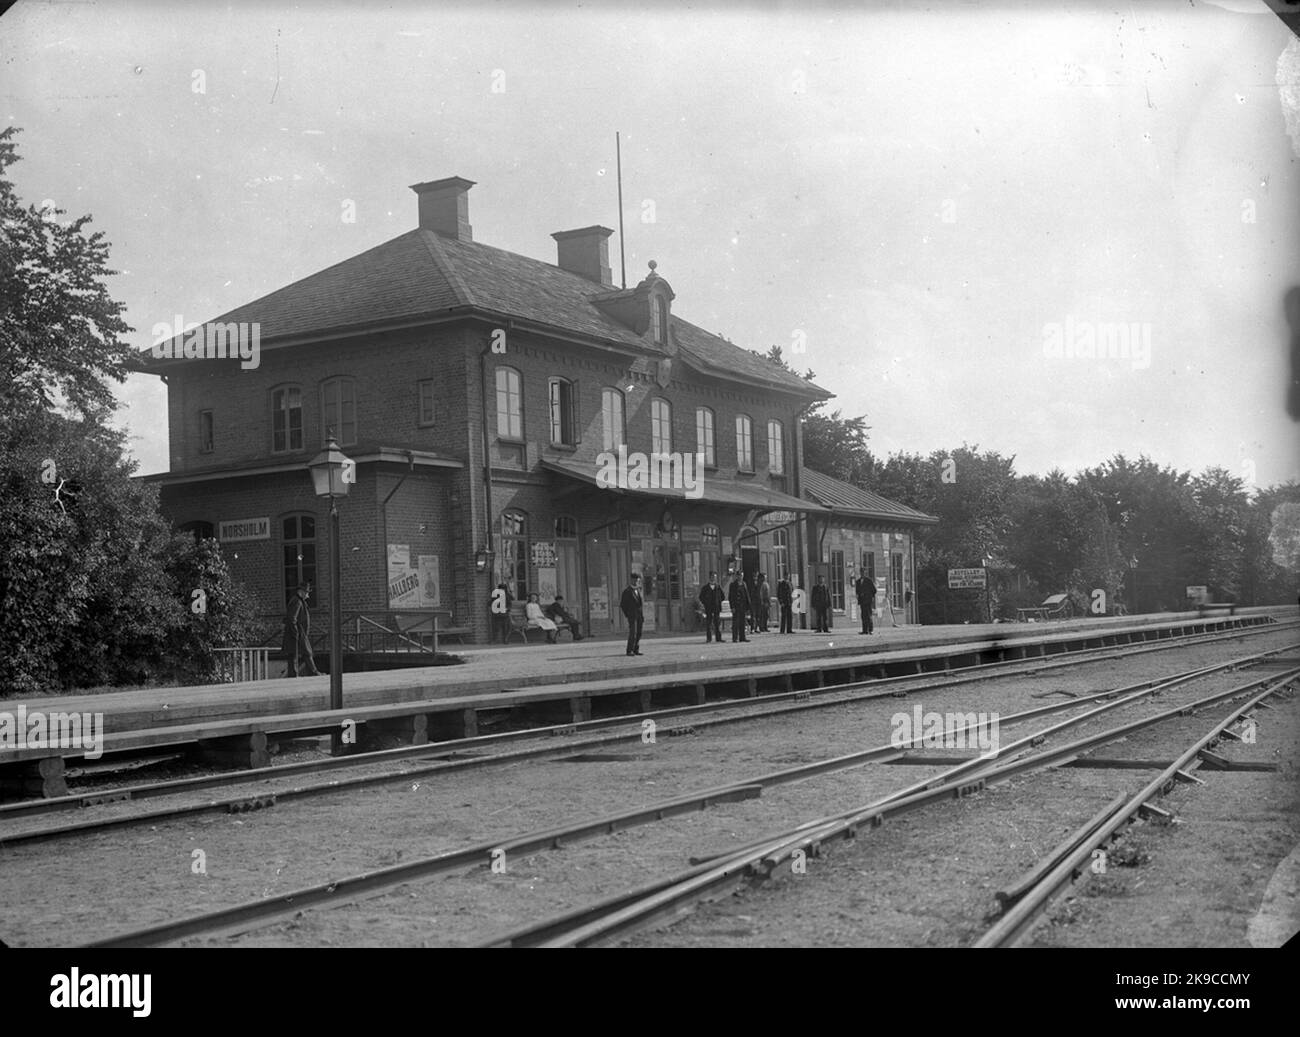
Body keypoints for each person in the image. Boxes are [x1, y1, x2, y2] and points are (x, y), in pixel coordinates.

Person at [282, 582, 320, 677]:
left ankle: (294, 674)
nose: (308, 594)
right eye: (307, 592)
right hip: (298, 631)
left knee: (295, 654)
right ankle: (312, 672)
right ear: (301, 592)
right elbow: (292, 618)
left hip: (298, 631)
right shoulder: (297, 601)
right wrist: (296, 632)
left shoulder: (298, 601)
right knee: (304, 652)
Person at [620, 573, 645, 656]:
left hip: (639, 615)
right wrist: (628, 614)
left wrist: (641, 615)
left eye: (637, 580)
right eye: (634, 580)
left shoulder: (638, 590)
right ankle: (629, 650)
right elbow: (623, 605)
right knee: (633, 633)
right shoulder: (627, 591)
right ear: (631, 580)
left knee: (639, 632)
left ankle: (636, 649)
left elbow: (640, 604)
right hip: (632, 615)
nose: (636, 582)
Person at [698, 571, 724, 644]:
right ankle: (709, 638)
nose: (713, 578)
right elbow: (701, 597)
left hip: (716, 607)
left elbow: (722, 596)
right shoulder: (705, 588)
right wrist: (705, 603)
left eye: (715, 577)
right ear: (710, 577)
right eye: (712, 577)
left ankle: (718, 638)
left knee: (717, 623)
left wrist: (718, 602)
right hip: (708, 608)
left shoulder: (718, 587)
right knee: (709, 623)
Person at [728, 572, 751, 642]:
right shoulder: (732, 585)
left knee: (742, 622)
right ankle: (735, 638)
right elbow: (730, 597)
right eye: (739, 576)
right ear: (737, 576)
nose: (740, 577)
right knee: (735, 623)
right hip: (736, 606)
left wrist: (748, 607)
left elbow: (747, 595)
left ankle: (742, 637)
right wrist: (732, 607)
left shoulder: (744, 584)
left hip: (743, 605)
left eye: (741, 575)